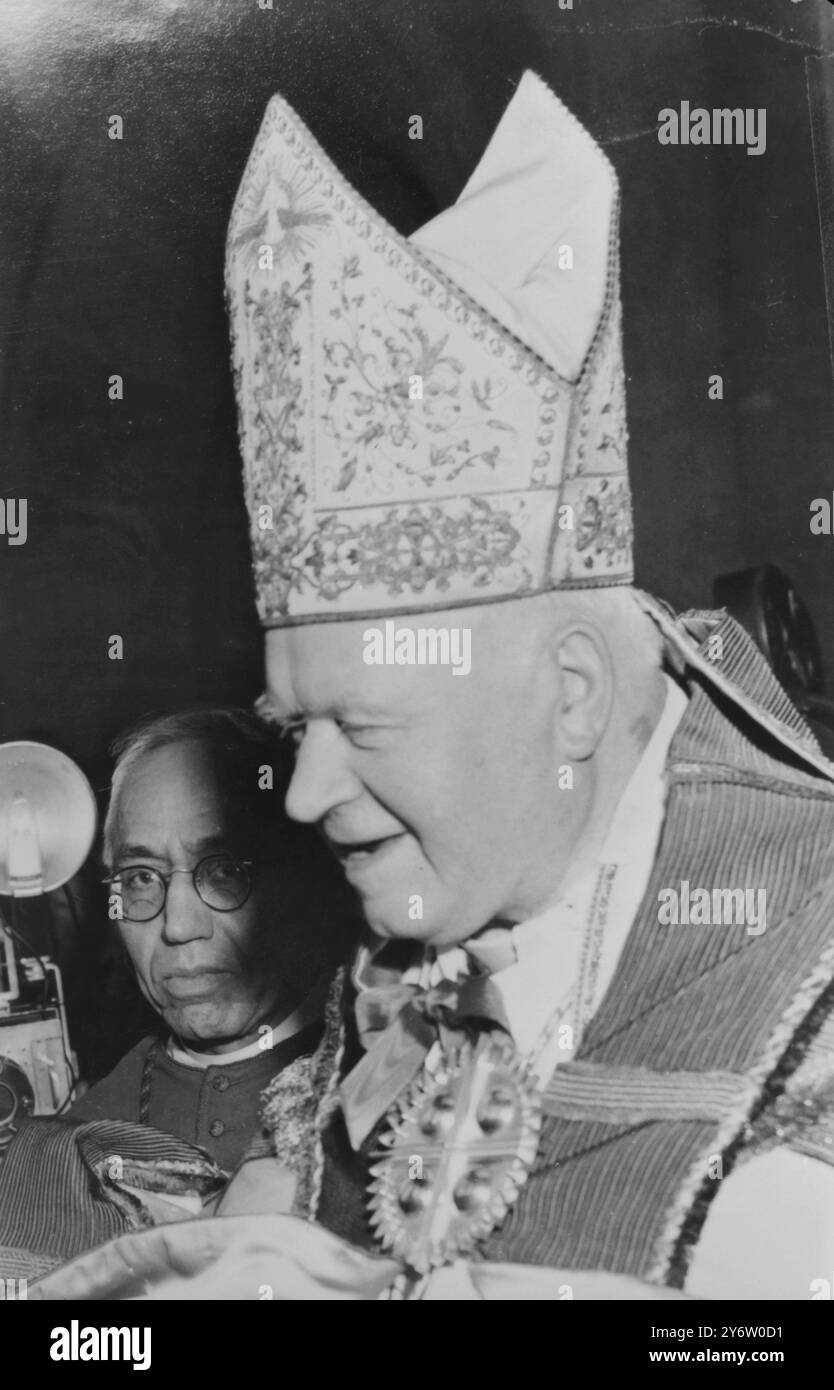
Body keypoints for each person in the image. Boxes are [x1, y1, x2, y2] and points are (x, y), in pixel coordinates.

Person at [31, 70, 834, 1301]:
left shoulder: (806, 951)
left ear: (570, 696)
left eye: (363, 723)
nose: (301, 796)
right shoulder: (418, 924)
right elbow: (296, 1180)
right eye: (295, 728)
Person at [67, 707, 356, 1170]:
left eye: (225, 870)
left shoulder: (378, 1092)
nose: (178, 926)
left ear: (303, 883)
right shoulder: (77, 1137)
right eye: (141, 877)